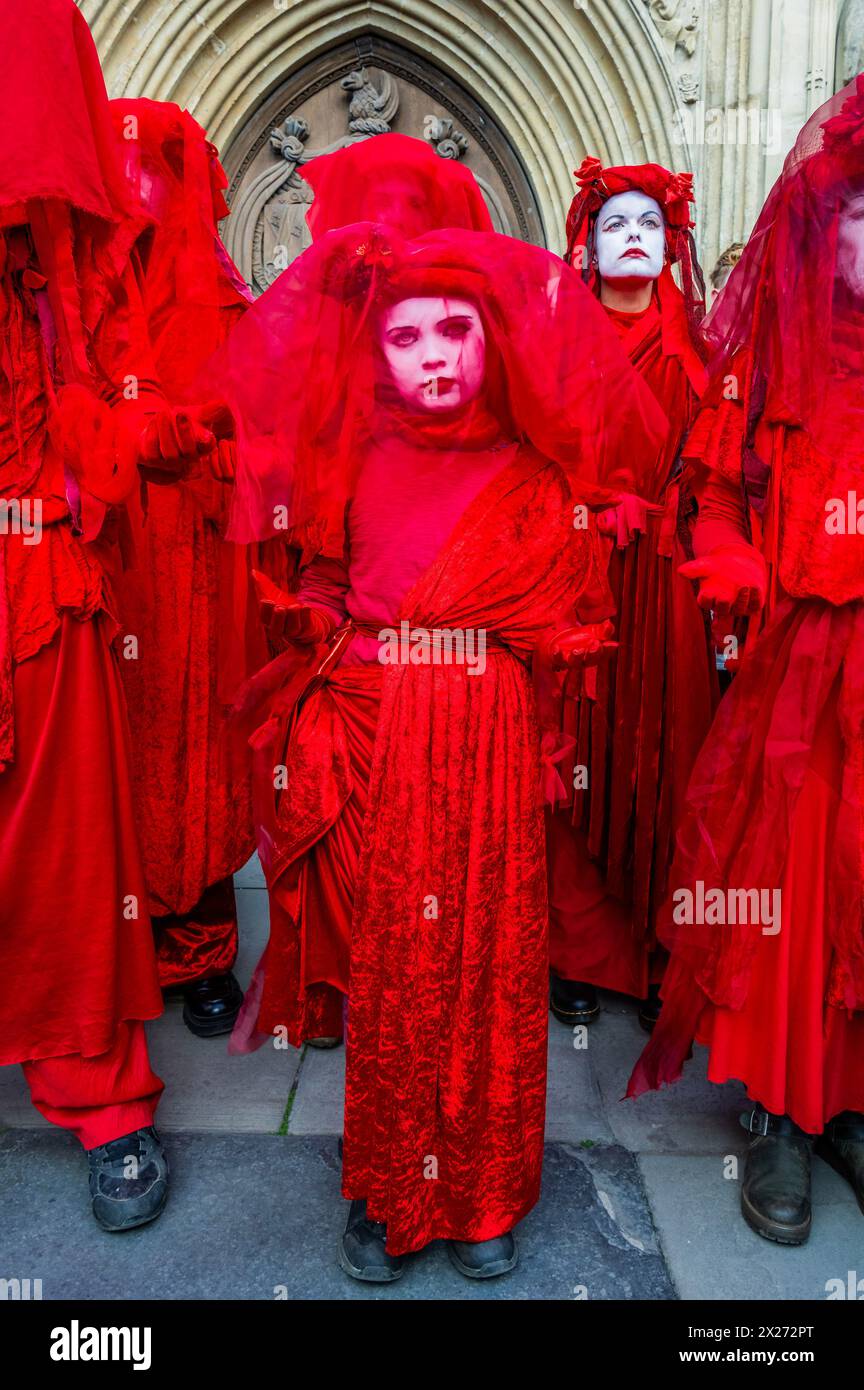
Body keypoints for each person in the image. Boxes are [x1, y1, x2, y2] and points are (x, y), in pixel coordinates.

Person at [206, 138, 667, 1279]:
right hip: (377, 744)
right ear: (376, 350)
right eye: (404, 336)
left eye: (453, 331)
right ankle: (388, 1188)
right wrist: (325, 670)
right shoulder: (349, 463)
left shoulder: (535, 471)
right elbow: (312, 581)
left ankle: (485, 1190)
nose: (431, 357)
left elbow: (573, 616)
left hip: (489, 744)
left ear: (489, 338)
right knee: (396, 981)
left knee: (491, 969)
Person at [628, 77, 864, 1246]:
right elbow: (713, 488)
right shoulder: (772, 365)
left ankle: (852, 1096)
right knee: (794, 880)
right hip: (806, 671)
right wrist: (728, 553)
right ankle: (781, 1104)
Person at [0, 0, 216, 1229]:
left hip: (43, 583)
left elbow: (117, 406)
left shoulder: (73, 263)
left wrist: (179, 432)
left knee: (76, 855)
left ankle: (100, 1096)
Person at [545, 160, 718, 1032]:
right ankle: (575, 951)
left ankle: (660, 952)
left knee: (666, 754)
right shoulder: (556, 337)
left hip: (668, 572)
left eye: (653, 223)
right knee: (573, 754)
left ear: (674, 240)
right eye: (617, 223)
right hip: (576, 568)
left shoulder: (703, 347)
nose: (637, 235)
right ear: (586, 240)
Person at [110, 98, 262, 1037]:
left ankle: (206, 950)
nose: (132, 191)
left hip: (198, 561)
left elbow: (262, 435)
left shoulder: (224, 300)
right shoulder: (67, 293)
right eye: (117, 167)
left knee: (198, 744)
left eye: (150, 170)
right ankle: (120, 948)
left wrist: (211, 441)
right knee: (112, 753)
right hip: (107, 554)